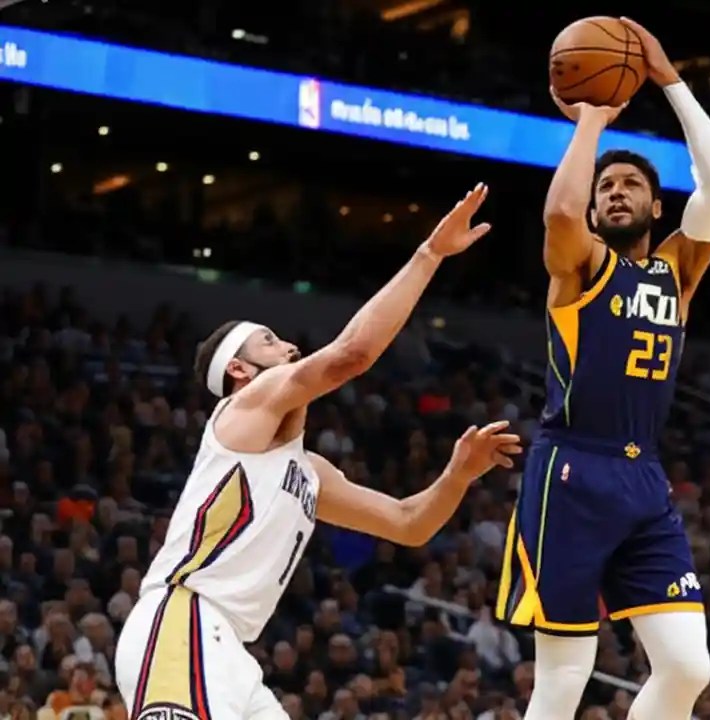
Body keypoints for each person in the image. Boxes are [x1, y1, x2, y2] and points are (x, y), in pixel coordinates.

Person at [114, 184, 523, 720]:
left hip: (231, 651)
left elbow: (408, 524)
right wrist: (429, 254)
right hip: (182, 622)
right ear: (239, 370)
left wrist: (458, 473)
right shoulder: (242, 415)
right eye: (267, 341)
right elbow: (351, 355)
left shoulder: (309, 472)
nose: (287, 346)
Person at [495, 17, 710, 720]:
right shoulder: (581, 267)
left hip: (643, 477)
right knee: (567, 674)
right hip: (572, 467)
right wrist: (591, 122)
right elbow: (562, 209)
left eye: (632, 184)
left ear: (658, 208)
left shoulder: (676, 271)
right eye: (608, 187)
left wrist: (669, 80)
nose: (615, 191)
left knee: (688, 666)